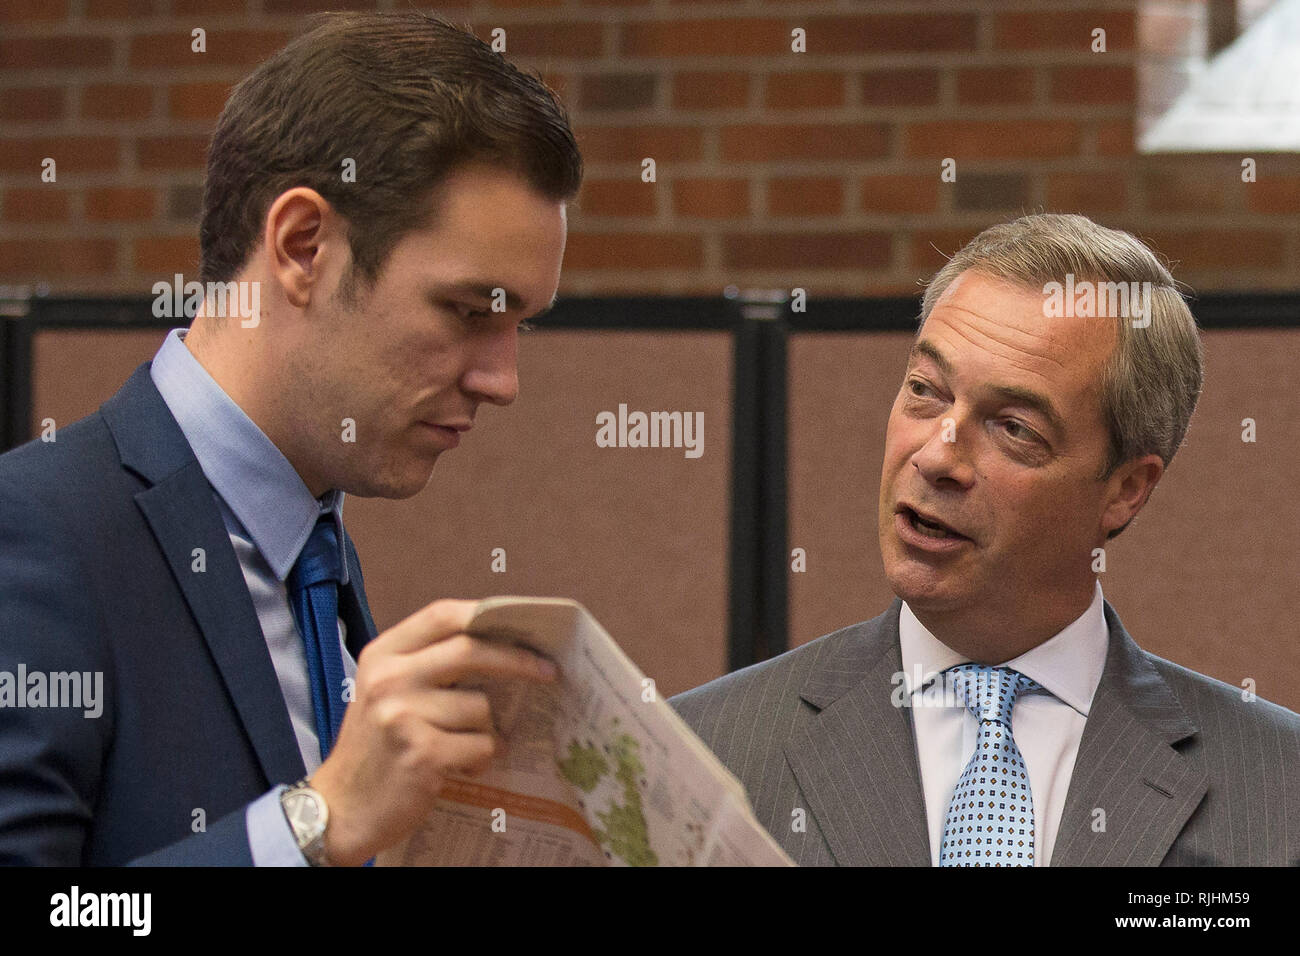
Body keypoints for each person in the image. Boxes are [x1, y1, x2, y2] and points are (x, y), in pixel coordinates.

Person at [0, 11, 582, 865]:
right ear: (303, 245)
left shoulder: (315, 555)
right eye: (468, 310)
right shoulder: (33, 536)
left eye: (518, 327)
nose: (503, 380)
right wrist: (313, 825)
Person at [671, 213, 1300, 866]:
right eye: (925, 391)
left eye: (1014, 428)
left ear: (1125, 490)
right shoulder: (701, 757)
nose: (937, 457)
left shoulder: (1279, 793)